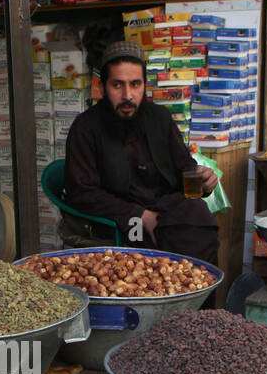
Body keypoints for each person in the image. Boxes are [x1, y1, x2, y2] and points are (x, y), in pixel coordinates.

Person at [63, 40, 220, 263]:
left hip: (165, 209)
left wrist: (203, 180)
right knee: (149, 243)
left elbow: (184, 168)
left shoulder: (160, 119)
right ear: (102, 87)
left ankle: (199, 296)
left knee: (201, 220)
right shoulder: (85, 128)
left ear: (145, 85)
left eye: (135, 84)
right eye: (117, 85)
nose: (127, 95)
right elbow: (82, 192)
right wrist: (139, 215)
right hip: (118, 219)